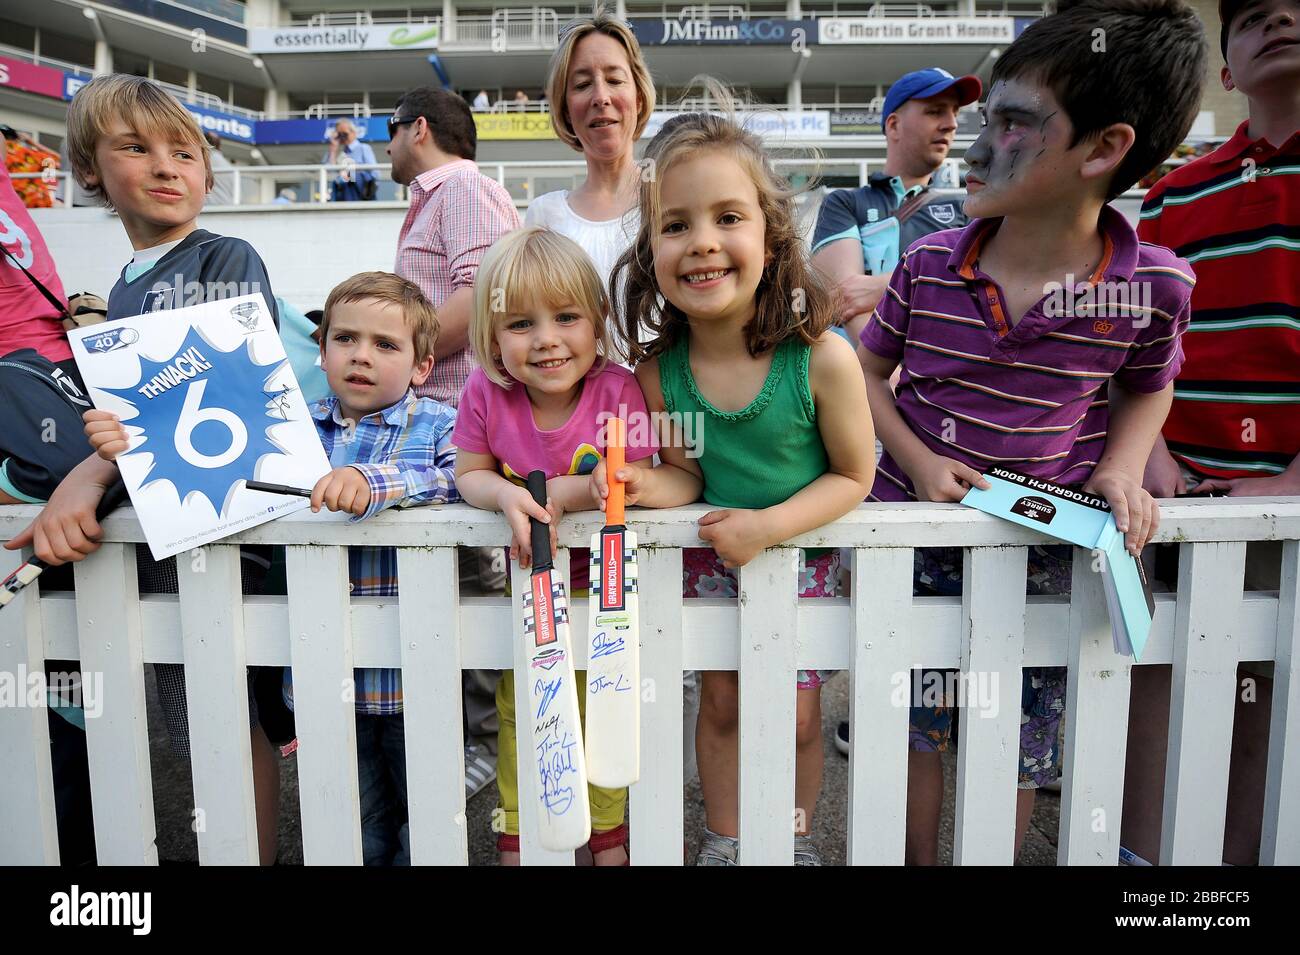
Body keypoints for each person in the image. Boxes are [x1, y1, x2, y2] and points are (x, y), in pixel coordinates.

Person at [855, 0, 1205, 863]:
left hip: (1043, 546)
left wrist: (1124, 467)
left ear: (1103, 148)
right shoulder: (928, 266)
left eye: (1013, 123)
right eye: (984, 118)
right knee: (913, 722)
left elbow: (1148, 384)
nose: (972, 146)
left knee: (1017, 735)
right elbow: (863, 371)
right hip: (912, 535)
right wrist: (917, 459)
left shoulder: (1153, 286)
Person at [5, 74, 284, 865]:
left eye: (185, 152)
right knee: (184, 714)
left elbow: (235, 397)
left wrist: (89, 473)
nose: (167, 166)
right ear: (91, 171)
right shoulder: (125, 289)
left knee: (222, 713)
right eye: (136, 148)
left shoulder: (224, 255)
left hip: (220, 524)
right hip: (162, 527)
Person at [609, 97, 877, 865]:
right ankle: (726, 840)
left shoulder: (820, 357)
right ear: (651, 248)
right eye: (676, 224)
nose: (703, 243)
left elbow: (857, 475)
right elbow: (685, 476)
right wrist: (637, 482)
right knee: (721, 702)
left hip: (802, 561)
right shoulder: (657, 374)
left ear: (771, 234)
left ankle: (789, 839)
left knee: (796, 715)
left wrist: (767, 526)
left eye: (729, 217)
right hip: (713, 562)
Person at [452, 227, 693, 864]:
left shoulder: (618, 390)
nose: (547, 339)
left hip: (611, 595)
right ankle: (519, 834)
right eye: (521, 324)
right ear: (492, 336)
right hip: (530, 595)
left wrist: (626, 482)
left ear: (597, 322)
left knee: (607, 715)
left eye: (566, 318)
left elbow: (674, 477)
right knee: (521, 713)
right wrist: (506, 496)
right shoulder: (486, 392)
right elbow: (469, 472)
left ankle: (609, 838)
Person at [1123, 0, 1300, 868]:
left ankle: (1231, 879)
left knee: (1266, 691)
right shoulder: (1172, 192)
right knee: (1156, 676)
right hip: (1177, 490)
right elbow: (1138, 347)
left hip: (1286, 499)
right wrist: (1156, 465)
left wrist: (1288, 480)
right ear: (1225, 72)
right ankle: (1144, 873)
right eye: (1256, 16)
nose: (1280, 21)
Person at [294, 272, 458, 864]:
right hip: (321, 670)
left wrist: (373, 481)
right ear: (323, 350)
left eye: (386, 345)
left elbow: (458, 482)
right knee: (352, 817)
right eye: (345, 339)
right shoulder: (293, 429)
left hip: (417, 674)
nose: (361, 355)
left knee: (429, 814)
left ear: (420, 366)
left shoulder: (440, 424)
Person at [386, 84, 522, 799]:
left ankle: (487, 745)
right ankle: (476, 740)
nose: (384, 147)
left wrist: (399, 357)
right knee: (456, 590)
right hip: (444, 416)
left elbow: (485, 295)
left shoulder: (462, 186)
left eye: (389, 131)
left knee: (475, 593)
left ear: (416, 130)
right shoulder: (441, 196)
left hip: (460, 418)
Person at [811, 68, 980, 347]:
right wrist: (889, 381)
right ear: (893, 126)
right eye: (936, 111)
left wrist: (880, 286)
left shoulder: (968, 204)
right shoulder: (844, 202)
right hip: (874, 381)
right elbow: (845, 300)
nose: (951, 124)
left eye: (955, 113)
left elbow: (984, 287)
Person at [524, 13, 655, 295]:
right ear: (566, 110)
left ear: (639, 97)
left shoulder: (672, 197)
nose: (601, 97)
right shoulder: (545, 216)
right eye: (582, 85)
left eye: (615, 80)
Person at [325, 118, 377, 202]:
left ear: (354, 133)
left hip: (359, 196)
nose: (342, 137)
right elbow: (328, 174)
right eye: (339, 134)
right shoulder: (336, 151)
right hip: (340, 196)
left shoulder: (363, 148)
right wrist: (333, 150)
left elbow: (375, 174)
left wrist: (352, 173)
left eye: (344, 134)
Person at [204, 131, 235, 206]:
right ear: (219, 146)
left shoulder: (205, 159)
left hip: (209, 208)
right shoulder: (227, 164)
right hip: (226, 206)